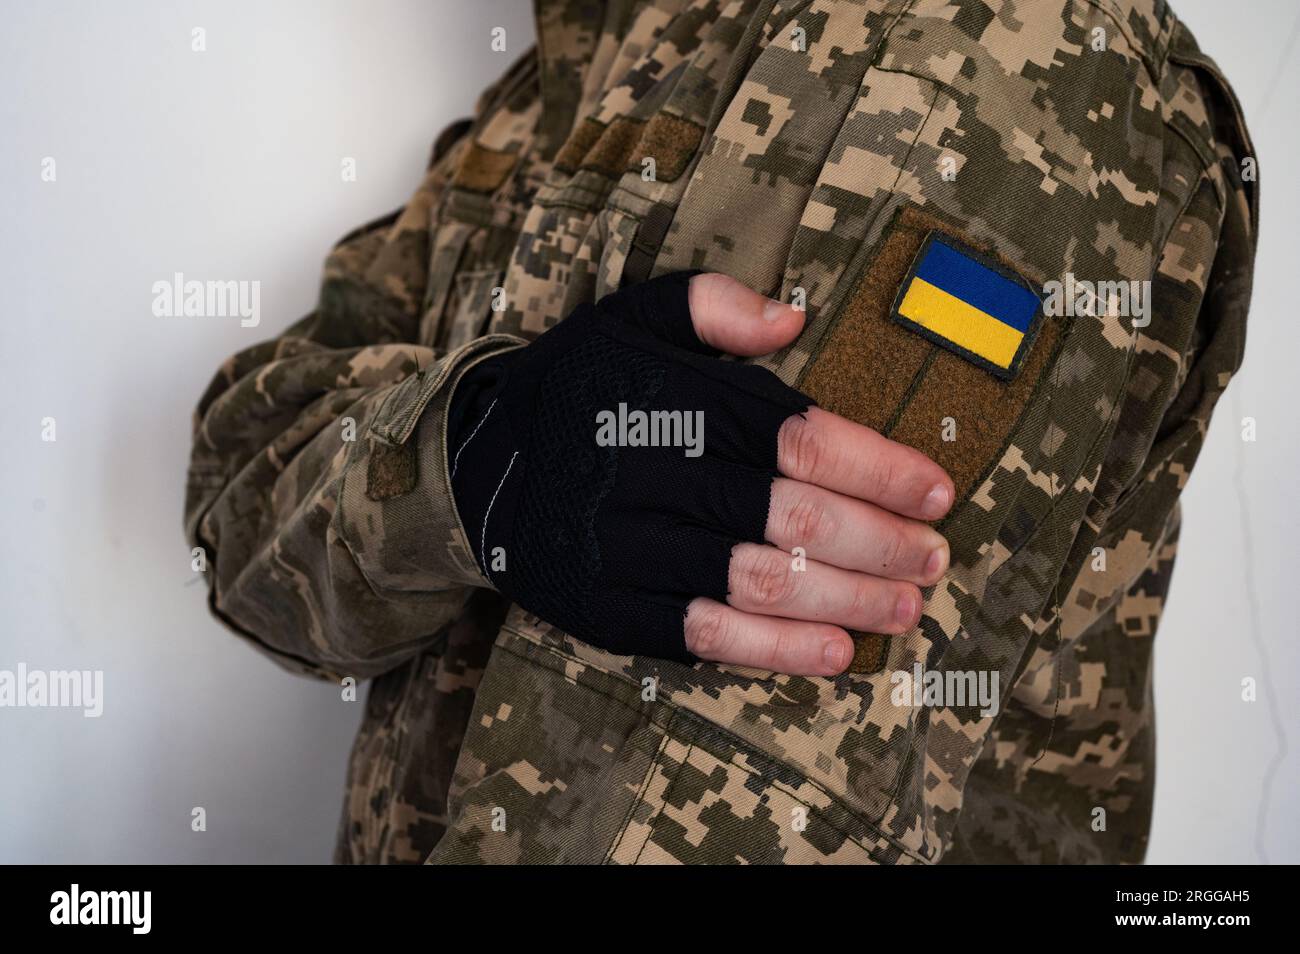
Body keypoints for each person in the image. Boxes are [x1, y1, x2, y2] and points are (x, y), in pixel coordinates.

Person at [186, 0, 1257, 864]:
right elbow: (237, 520)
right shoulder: (547, 88)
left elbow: (709, 797)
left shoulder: (976, 47)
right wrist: (460, 457)